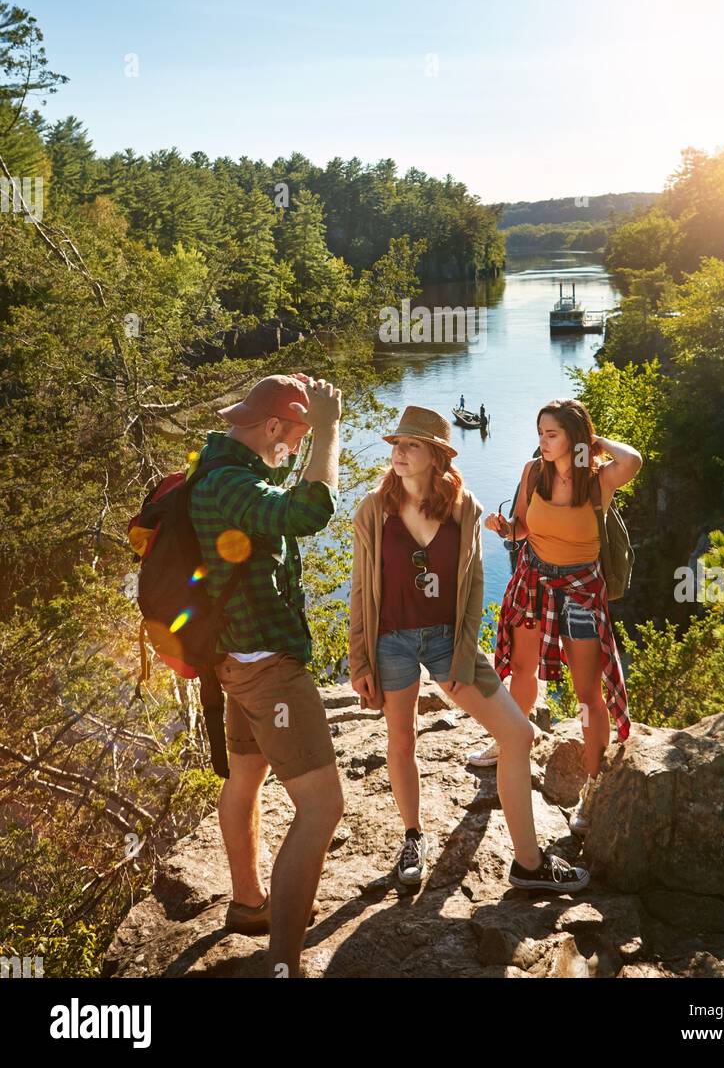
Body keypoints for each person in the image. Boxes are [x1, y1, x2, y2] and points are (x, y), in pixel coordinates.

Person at [350, 405, 589, 893]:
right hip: (390, 639)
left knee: (518, 736)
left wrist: (461, 656)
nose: (398, 452)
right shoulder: (373, 508)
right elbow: (359, 589)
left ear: (436, 456)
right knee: (401, 741)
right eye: (396, 443)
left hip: (445, 640)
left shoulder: (464, 508)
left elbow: (473, 588)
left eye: (411, 445)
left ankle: (527, 865)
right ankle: (412, 837)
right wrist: (360, 661)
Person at [188, 373, 344, 979]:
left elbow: (279, 487)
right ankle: (284, 967)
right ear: (274, 427)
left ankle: (249, 904)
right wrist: (328, 429)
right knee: (321, 808)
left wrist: (307, 441)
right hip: (265, 669)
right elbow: (306, 511)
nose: (295, 447)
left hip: (235, 660)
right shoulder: (229, 481)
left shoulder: (221, 465)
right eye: (294, 435)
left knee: (247, 773)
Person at [477, 399, 642, 835]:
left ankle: (592, 785)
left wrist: (596, 442)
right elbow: (522, 528)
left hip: (581, 591)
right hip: (534, 580)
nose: (542, 443)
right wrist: (503, 528)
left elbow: (634, 460)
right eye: (540, 434)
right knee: (523, 671)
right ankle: (507, 744)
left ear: (574, 437)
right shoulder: (534, 473)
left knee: (588, 694)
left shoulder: (598, 481)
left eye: (552, 434)